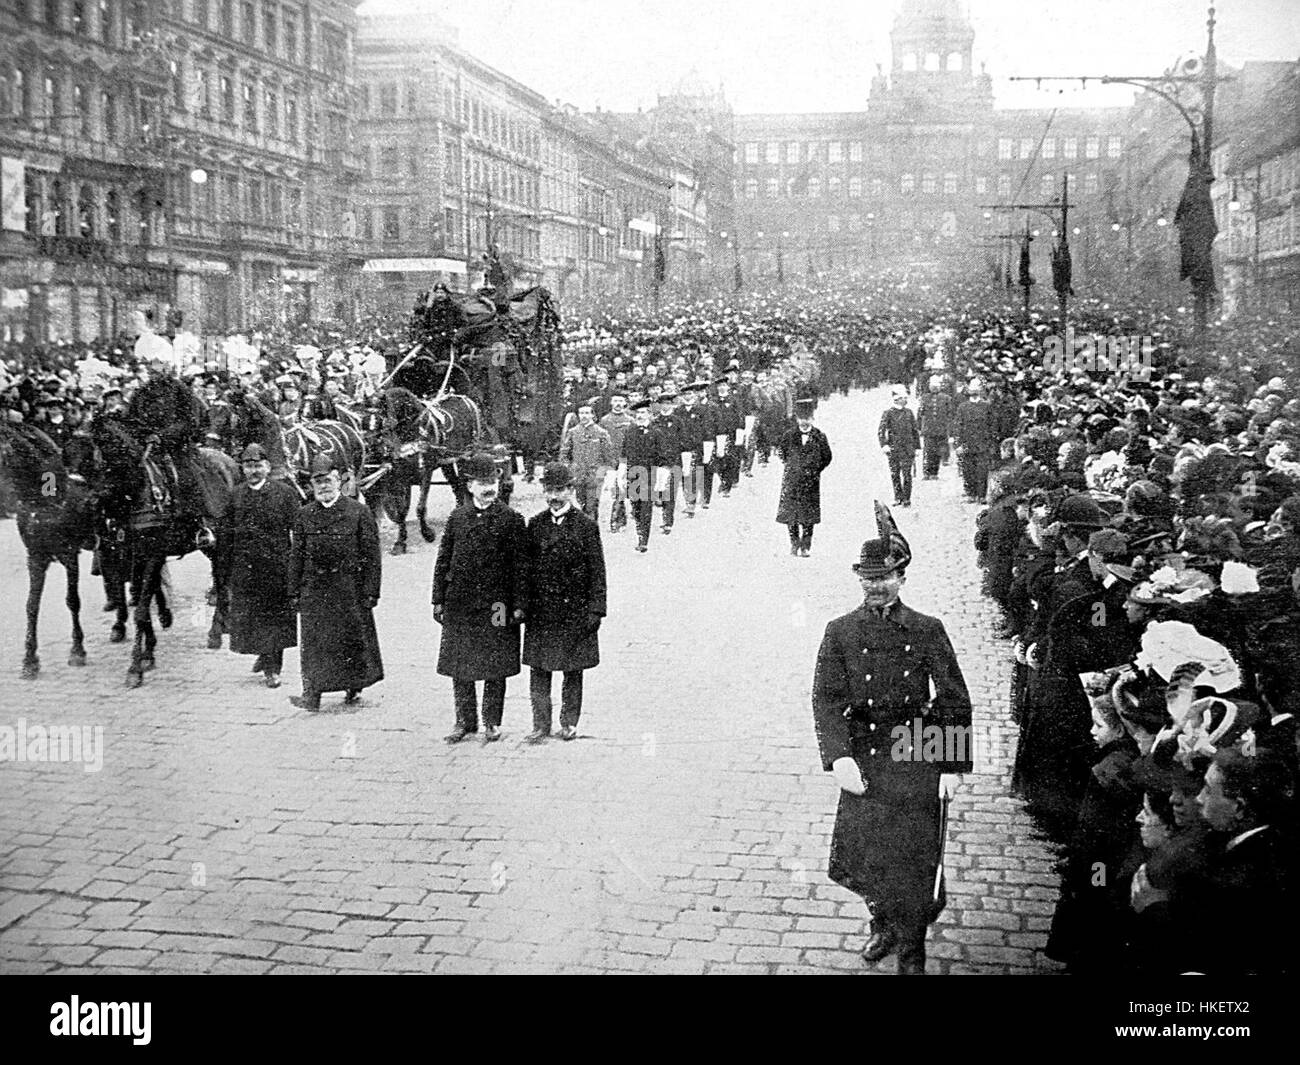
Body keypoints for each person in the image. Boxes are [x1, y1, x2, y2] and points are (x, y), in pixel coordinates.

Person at [812, 517, 972, 973]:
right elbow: (826, 697)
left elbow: (954, 698)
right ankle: (881, 922)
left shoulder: (926, 629)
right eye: (868, 578)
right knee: (867, 852)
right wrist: (838, 754)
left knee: (915, 853)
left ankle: (912, 946)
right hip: (864, 749)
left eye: (884, 577)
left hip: (915, 746)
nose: (876, 586)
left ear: (901, 578)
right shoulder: (840, 631)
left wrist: (950, 765)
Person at [431, 453, 527, 743]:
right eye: (483, 482)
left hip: (498, 605)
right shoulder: (457, 518)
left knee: (495, 662)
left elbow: (521, 567)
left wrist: (520, 605)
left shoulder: (511, 519)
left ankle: (492, 721)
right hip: (460, 603)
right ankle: (464, 721)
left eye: (493, 482)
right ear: (470, 485)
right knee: (460, 663)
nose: (489, 488)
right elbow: (443, 560)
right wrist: (438, 599)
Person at [287, 453, 384, 710]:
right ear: (312, 486)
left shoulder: (358, 512)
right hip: (315, 592)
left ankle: (354, 684)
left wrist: (371, 591)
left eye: (328, 481)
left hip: (348, 590)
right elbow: (296, 555)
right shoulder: (304, 515)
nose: (324, 487)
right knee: (314, 644)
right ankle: (312, 694)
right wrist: (293, 590)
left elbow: (372, 556)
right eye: (318, 483)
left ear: (339, 481)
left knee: (350, 639)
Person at [521, 463, 607, 743]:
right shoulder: (534, 525)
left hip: (574, 610)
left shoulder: (586, 526)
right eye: (549, 490)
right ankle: (540, 724)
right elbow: (524, 570)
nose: (554, 496)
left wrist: (596, 609)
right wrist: (522, 604)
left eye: (559, 490)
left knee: (573, 669)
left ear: (571, 491)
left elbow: (597, 571)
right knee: (539, 668)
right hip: (542, 611)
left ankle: (569, 722)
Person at [219, 443, 300, 688]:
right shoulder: (236, 495)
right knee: (252, 617)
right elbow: (226, 532)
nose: (253, 471)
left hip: (276, 566)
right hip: (246, 568)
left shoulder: (284, 493)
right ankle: (264, 654)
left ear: (267, 467)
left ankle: (273, 667)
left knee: (276, 617)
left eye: (258, 466)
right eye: (248, 466)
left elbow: (297, 529)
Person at [776, 398, 832, 556]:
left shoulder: (820, 436)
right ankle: (794, 543)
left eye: (807, 419)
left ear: (812, 419)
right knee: (791, 514)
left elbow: (827, 457)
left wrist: (814, 470)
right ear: (797, 419)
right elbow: (782, 453)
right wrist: (792, 467)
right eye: (801, 419)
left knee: (808, 515)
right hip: (792, 480)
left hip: (810, 481)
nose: (804, 422)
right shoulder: (789, 435)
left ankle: (806, 545)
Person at [559, 403, 614, 522]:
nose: (584, 416)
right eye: (581, 413)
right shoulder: (573, 432)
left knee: (591, 504)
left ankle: (591, 529)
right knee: (581, 502)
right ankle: (587, 526)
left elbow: (608, 456)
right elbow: (564, 453)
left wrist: (605, 472)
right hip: (578, 474)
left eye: (587, 413)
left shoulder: (601, 432)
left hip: (594, 475)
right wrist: (569, 467)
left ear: (592, 415)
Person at [619, 400, 657, 553]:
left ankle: (643, 540)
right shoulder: (630, 431)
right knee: (636, 508)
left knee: (646, 507)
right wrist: (622, 474)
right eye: (638, 413)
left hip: (649, 474)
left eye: (643, 413)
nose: (640, 416)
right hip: (633, 475)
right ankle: (639, 531)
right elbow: (624, 454)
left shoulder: (656, 432)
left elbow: (661, 455)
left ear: (649, 414)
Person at [878, 385, 920, 507]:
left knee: (907, 474)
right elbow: (881, 431)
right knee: (895, 474)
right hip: (894, 449)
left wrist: (917, 447)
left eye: (905, 398)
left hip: (908, 449)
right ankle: (898, 497)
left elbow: (914, 431)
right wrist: (884, 445)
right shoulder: (888, 413)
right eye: (902, 398)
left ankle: (907, 498)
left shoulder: (909, 413)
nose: (905, 400)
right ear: (896, 399)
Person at [598, 393, 633, 532]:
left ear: (625, 403)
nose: (618, 404)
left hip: (626, 460)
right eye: (615, 401)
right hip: (610, 461)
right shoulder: (604, 421)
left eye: (621, 401)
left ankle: (617, 519)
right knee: (615, 490)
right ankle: (618, 519)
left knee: (623, 489)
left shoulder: (631, 420)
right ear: (611, 403)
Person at [917, 376, 953, 479]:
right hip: (929, 429)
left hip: (941, 429)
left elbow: (950, 415)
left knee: (938, 452)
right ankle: (926, 472)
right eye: (932, 386)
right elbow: (920, 414)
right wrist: (919, 428)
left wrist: (950, 430)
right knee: (928, 451)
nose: (934, 388)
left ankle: (934, 473)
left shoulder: (946, 398)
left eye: (936, 386)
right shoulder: (924, 398)